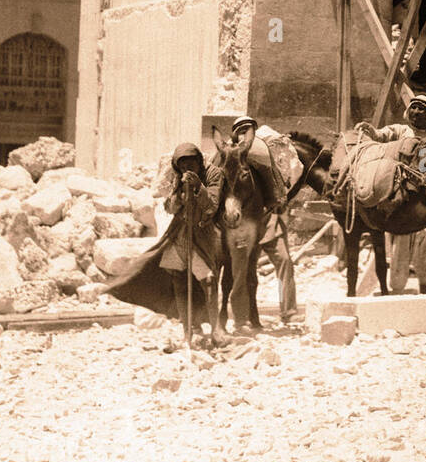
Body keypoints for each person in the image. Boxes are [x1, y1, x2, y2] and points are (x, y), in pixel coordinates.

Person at [106, 142, 227, 347]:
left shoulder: (213, 174)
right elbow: (170, 208)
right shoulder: (177, 176)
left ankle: (215, 330)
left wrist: (198, 187)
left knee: (207, 280)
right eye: (183, 164)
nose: (188, 167)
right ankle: (188, 331)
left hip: (203, 233)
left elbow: (212, 207)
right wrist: (179, 193)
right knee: (178, 278)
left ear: (199, 161)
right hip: (180, 233)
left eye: (192, 162)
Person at [359, 95, 426, 294]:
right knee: (400, 248)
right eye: (413, 107)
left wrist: (424, 176)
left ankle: (425, 289)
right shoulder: (402, 131)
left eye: (422, 109)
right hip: (400, 196)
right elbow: (382, 136)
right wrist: (371, 130)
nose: (416, 112)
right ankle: (397, 290)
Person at [230, 116, 298, 324]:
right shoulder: (231, 163)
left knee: (285, 261)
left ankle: (289, 311)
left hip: (269, 223)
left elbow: (280, 187)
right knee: (244, 274)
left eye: (248, 130)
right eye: (241, 130)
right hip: (244, 228)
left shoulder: (265, 162)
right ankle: (245, 318)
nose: (245, 134)